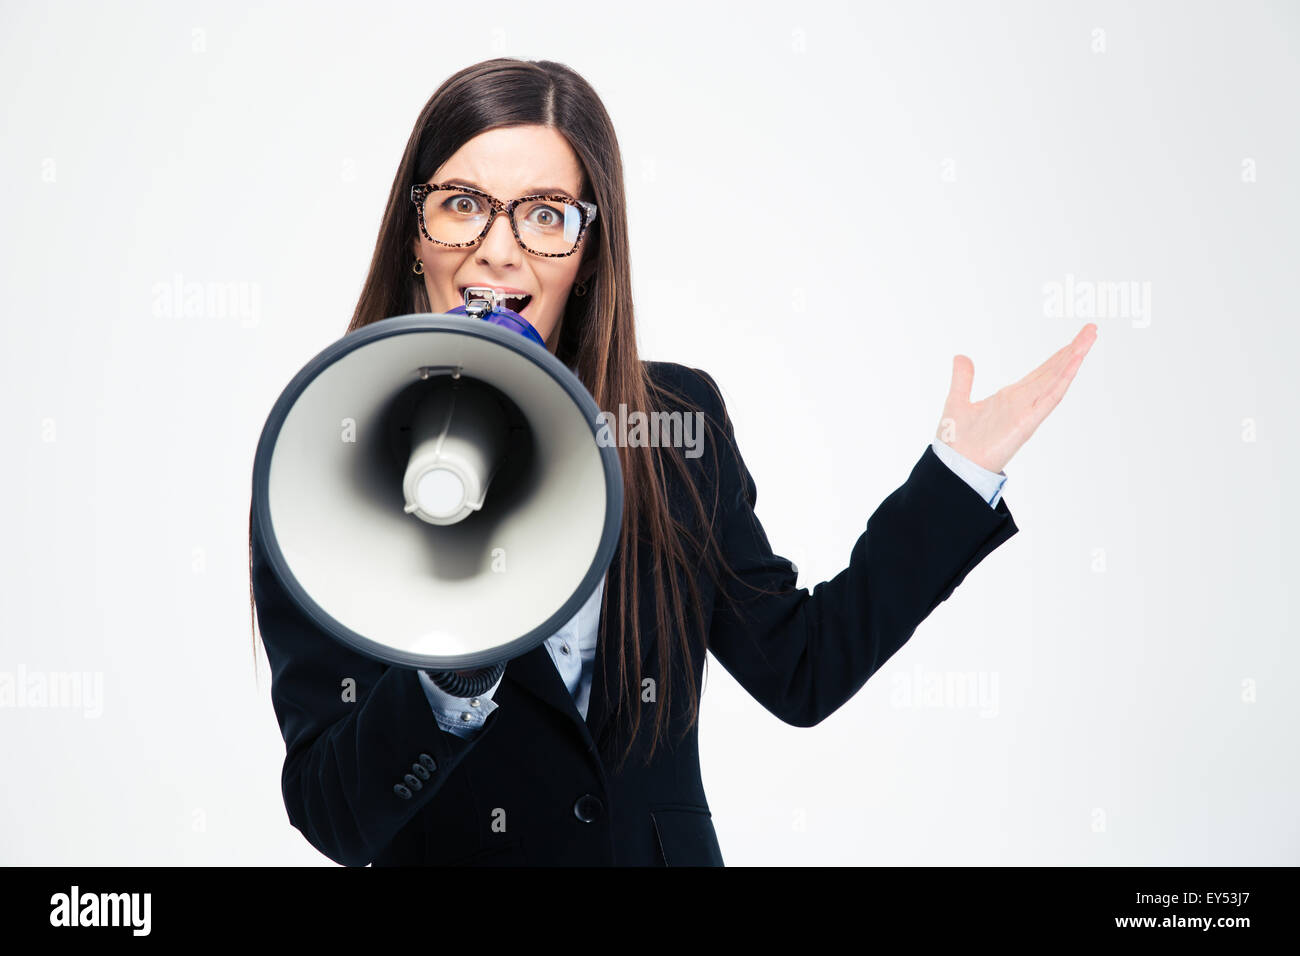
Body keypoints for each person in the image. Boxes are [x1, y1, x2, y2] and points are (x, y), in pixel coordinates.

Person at [248, 58, 1097, 867]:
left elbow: (800, 671)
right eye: (464, 202)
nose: (500, 250)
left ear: (587, 253)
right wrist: (449, 685)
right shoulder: (323, 456)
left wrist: (955, 482)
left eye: (546, 213)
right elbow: (336, 814)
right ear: (414, 229)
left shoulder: (675, 426)